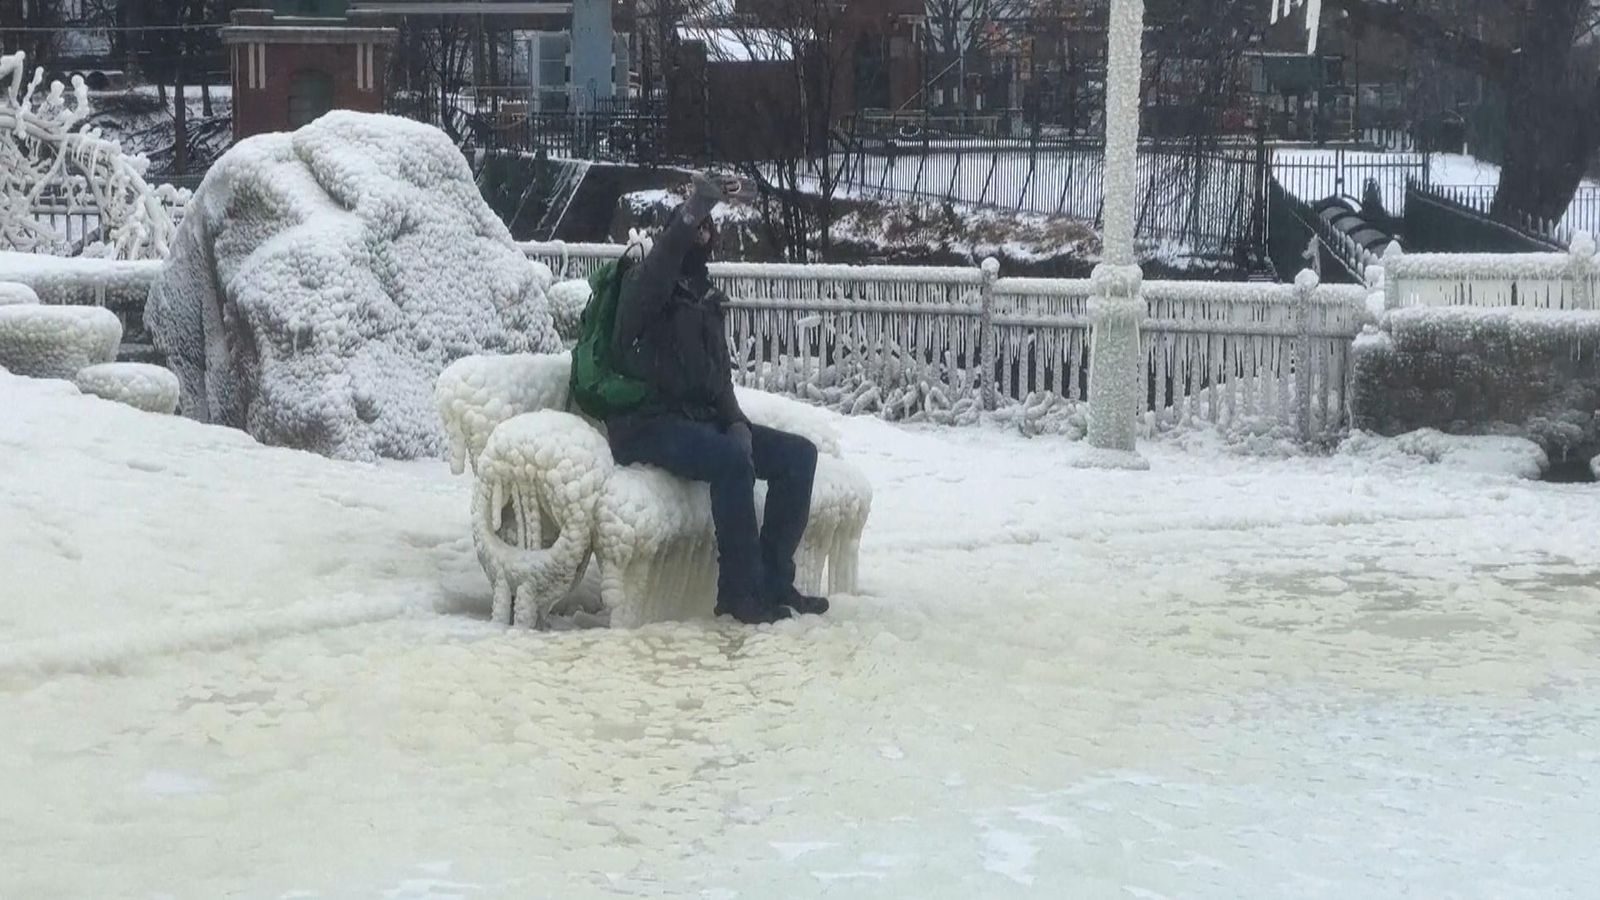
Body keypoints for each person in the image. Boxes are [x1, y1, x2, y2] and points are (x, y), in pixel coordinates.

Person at [605, 172, 828, 625]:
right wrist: (695, 207)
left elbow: (718, 379)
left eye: (708, 229)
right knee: (730, 460)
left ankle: (772, 581)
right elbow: (668, 255)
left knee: (797, 457)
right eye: (695, 228)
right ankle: (738, 594)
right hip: (646, 423)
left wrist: (738, 422)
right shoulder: (648, 284)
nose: (703, 234)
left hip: (697, 420)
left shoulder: (704, 297)